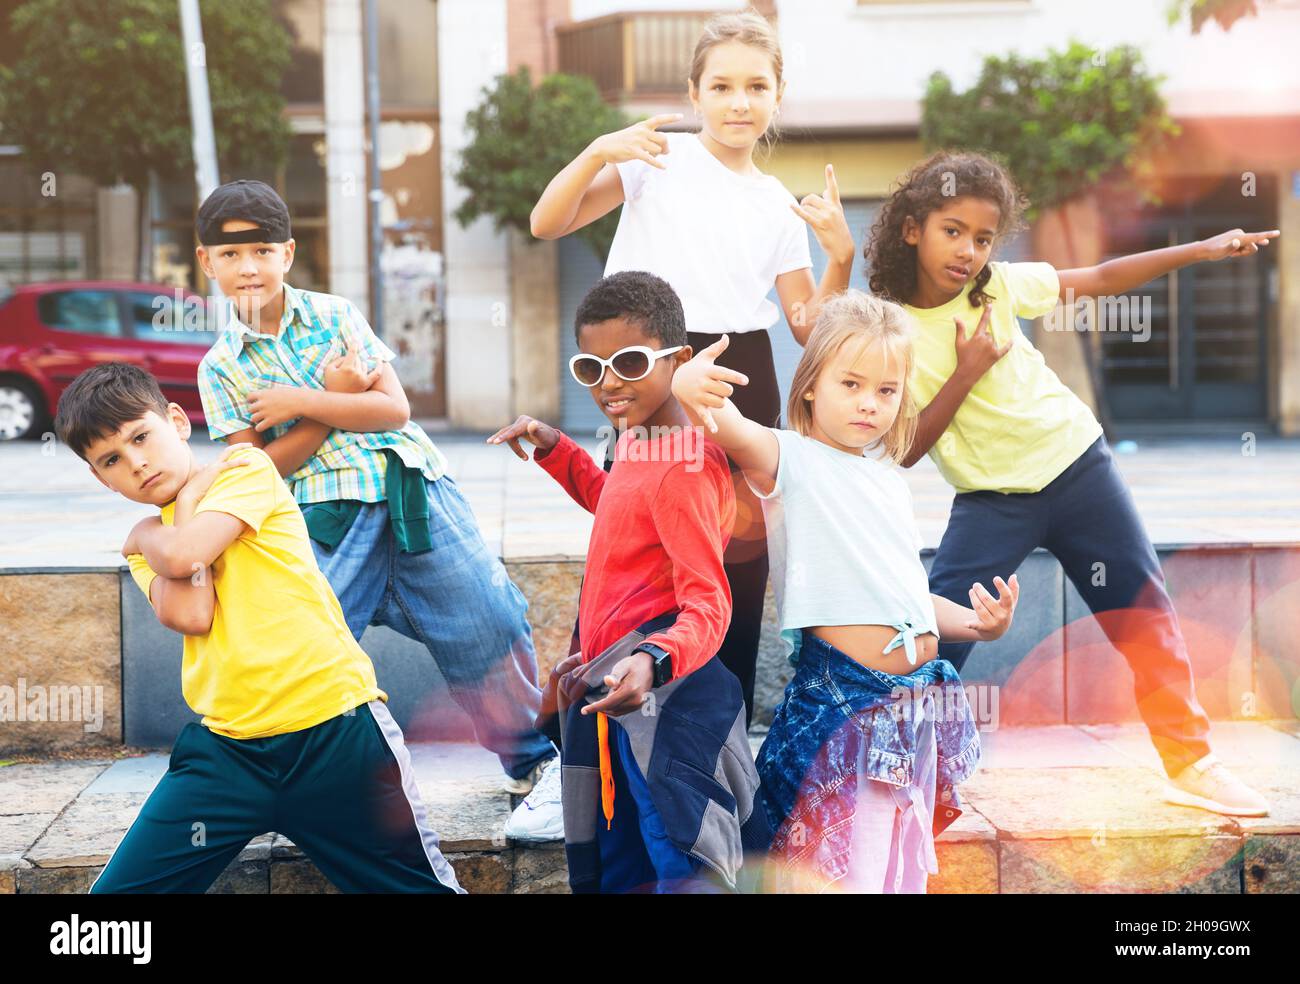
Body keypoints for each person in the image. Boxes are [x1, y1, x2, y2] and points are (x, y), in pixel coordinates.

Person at [864, 150, 1276, 816]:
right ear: (911, 228)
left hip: (1080, 467)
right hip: (992, 501)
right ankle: (903, 779)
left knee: (1145, 615)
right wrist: (967, 370)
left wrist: (1198, 249)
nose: (968, 250)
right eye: (952, 231)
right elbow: (906, 449)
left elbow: (1104, 276)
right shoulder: (894, 332)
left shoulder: (997, 286)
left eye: (982, 237)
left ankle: (1192, 762)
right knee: (938, 636)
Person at [192, 179, 562, 839]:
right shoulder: (221, 367)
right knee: (305, 649)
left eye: (262, 250)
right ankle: (289, 787)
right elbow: (257, 470)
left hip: (412, 489)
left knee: (488, 618)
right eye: (229, 254)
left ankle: (530, 761)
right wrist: (332, 402)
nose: (248, 267)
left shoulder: (333, 315)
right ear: (206, 261)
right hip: (320, 519)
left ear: (287, 252)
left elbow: (392, 410)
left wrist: (303, 403)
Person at [530, 9, 855, 725]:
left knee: (738, 563)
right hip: (655, 365)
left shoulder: (774, 201)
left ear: (777, 94)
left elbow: (808, 324)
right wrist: (595, 151)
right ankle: (586, 740)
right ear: (695, 92)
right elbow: (546, 222)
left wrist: (841, 255)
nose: (740, 101)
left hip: (744, 374)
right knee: (637, 551)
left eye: (756, 86)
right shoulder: (658, 160)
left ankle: (720, 738)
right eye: (722, 86)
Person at [57, 362, 462, 893]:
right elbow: (192, 613)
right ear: (100, 477)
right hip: (227, 756)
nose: (136, 462)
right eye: (112, 459)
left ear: (177, 420)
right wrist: (166, 521)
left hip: (335, 736)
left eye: (141, 437)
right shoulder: (151, 544)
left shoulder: (242, 468)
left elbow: (186, 552)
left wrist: (150, 531)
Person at [671, 290, 1017, 892]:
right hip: (843, 703)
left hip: (914, 708)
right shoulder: (788, 458)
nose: (869, 404)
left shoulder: (887, 479)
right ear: (810, 386)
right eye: (851, 384)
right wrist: (688, 382)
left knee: (897, 867)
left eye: (886, 391)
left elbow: (906, 597)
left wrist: (977, 623)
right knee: (839, 868)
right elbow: (730, 427)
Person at [488, 271, 769, 892]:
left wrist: (652, 661)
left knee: (679, 861)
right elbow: (617, 503)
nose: (610, 383)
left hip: (664, 706)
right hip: (618, 694)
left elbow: (708, 601)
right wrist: (556, 447)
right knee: (624, 862)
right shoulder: (640, 439)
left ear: (681, 361)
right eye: (592, 368)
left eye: (631, 362)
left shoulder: (687, 465)